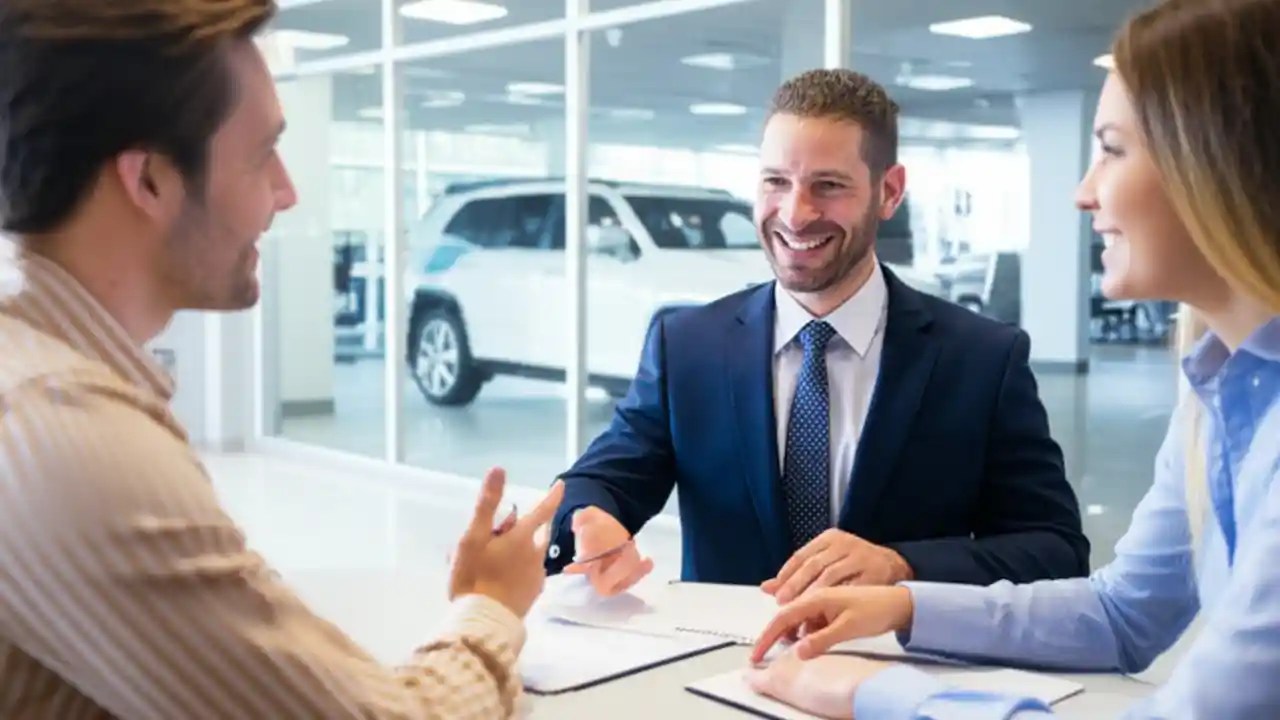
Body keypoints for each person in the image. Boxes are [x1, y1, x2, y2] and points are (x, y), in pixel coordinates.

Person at [0, 1, 563, 717]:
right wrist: (491, 607)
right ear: (149, 182)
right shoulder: (66, 434)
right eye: (263, 153)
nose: (287, 192)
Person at [745, 0, 1280, 717]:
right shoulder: (1219, 392)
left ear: (1220, 163)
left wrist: (878, 694)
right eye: (776, 180)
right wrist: (902, 608)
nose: (1083, 192)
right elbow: (1124, 613)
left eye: (1113, 149)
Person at [545, 69, 1090, 599]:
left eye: (828, 186)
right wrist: (590, 522)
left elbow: (1055, 549)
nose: (796, 213)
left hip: (896, 671)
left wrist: (902, 565)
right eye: (775, 182)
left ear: (889, 192)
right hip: (719, 671)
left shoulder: (980, 359)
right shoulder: (687, 345)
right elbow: (603, 481)